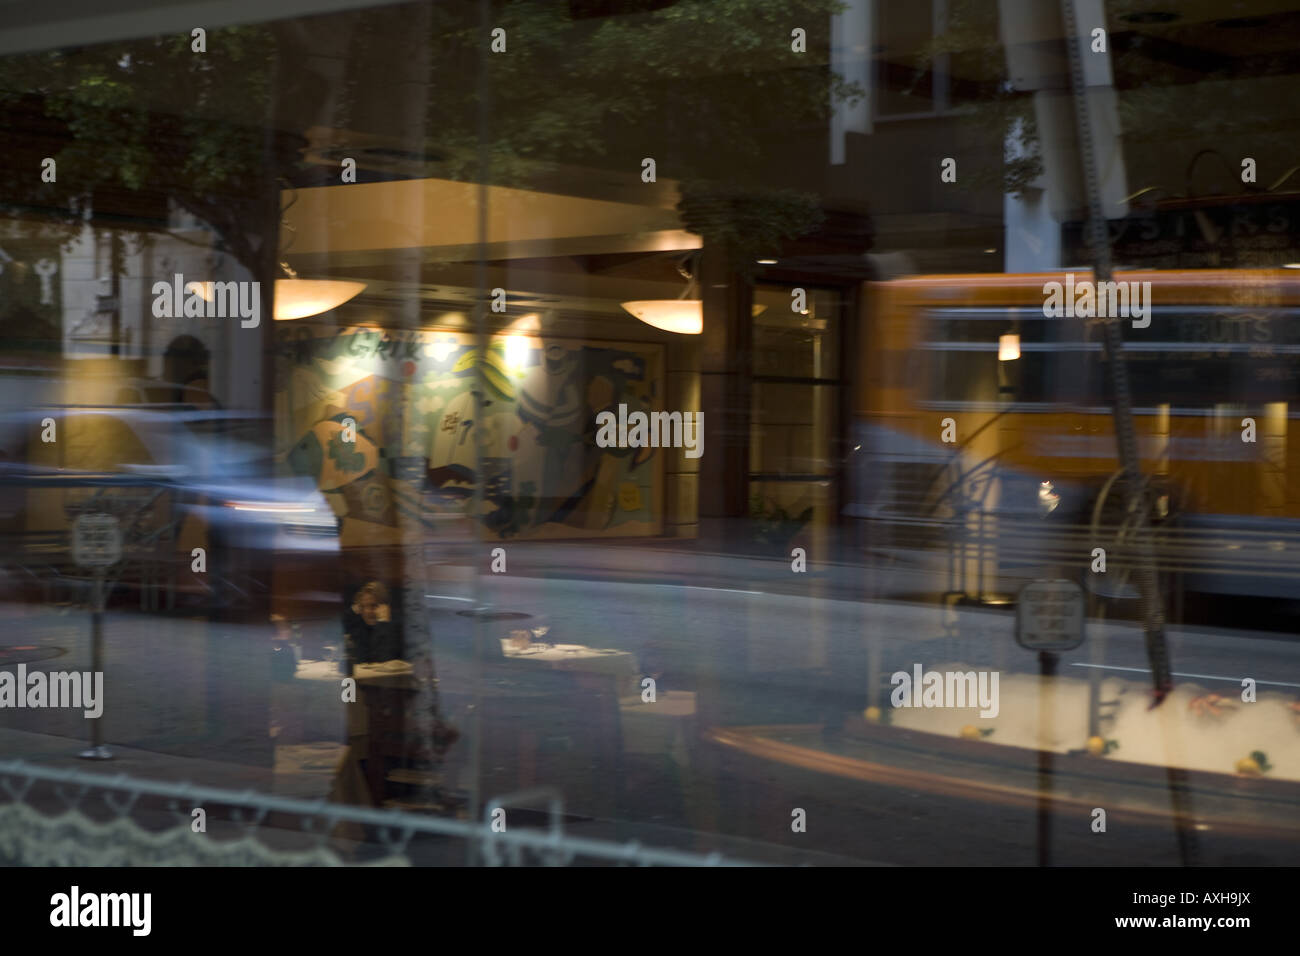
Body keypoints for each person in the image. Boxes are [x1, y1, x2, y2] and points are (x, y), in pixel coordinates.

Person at [342, 581, 403, 674]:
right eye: (363, 606)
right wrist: (353, 610)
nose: (367, 611)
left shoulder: (396, 627)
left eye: (373, 606)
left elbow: (382, 660)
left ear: (385, 607)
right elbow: (361, 659)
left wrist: (383, 624)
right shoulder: (361, 627)